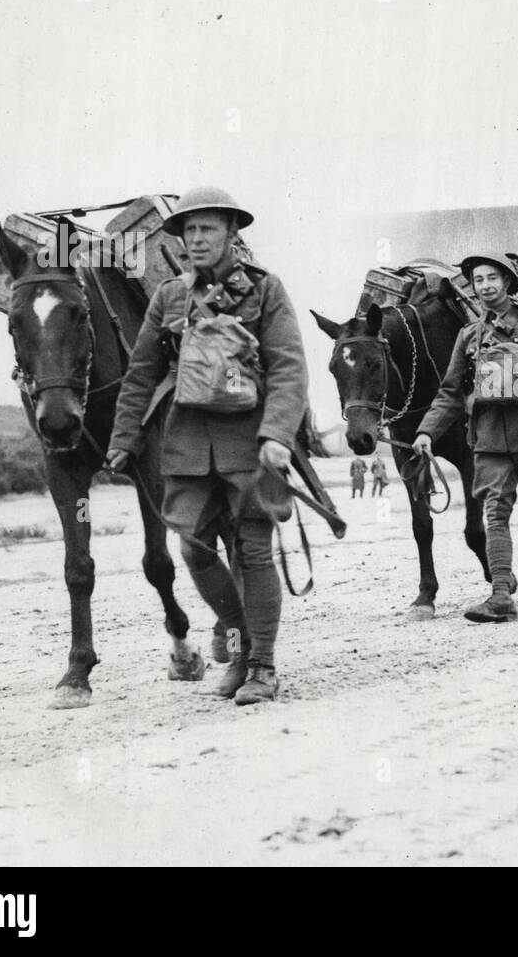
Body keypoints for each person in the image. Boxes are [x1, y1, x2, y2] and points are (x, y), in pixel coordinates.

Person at [107, 186, 308, 705]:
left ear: (231, 233)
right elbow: (141, 373)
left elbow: (288, 366)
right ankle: (242, 644)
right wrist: (124, 439)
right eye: (189, 230)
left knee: (254, 551)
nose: (196, 239)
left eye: (207, 229)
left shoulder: (266, 290)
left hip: (250, 441)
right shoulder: (170, 296)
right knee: (192, 548)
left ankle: (260, 665)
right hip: (187, 444)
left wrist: (277, 435)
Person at [412, 252, 518, 621]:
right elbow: (451, 392)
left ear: (506, 282)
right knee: (495, 514)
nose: (485, 287)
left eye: (491, 278)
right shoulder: (469, 335)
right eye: (478, 281)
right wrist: (427, 432)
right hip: (488, 438)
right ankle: (501, 595)